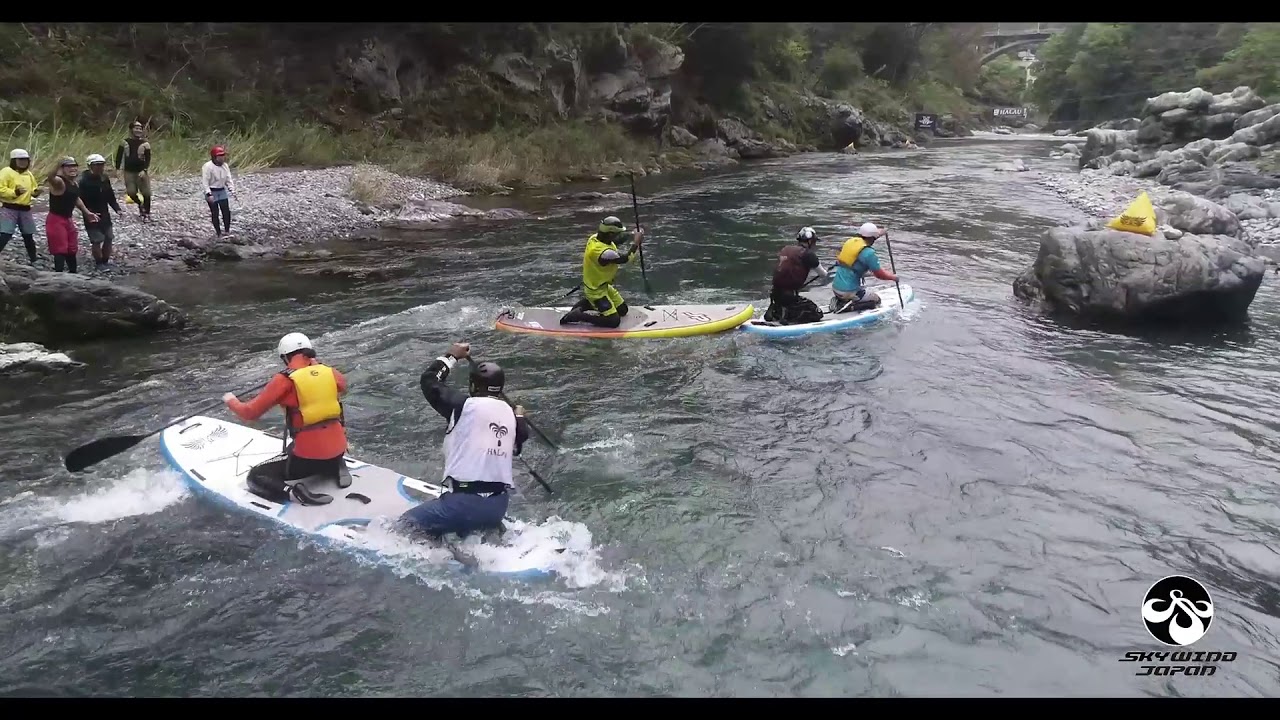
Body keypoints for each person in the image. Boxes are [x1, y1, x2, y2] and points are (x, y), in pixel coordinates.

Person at [398, 341, 528, 543]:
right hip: (498, 507)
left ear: (473, 386)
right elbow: (521, 438)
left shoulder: (463, 406)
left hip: (462, 504)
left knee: (404, 525)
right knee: (466, 521)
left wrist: (451, 356)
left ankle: (439, 549)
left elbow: (429, 381)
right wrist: (519, 416)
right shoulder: (511, 415)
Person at [223, 332, 351, 506]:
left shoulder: (283, 380)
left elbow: (249, 413)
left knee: (257, 475)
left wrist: (231, 401)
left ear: (285, 357)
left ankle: (294, 492)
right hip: (337, 450)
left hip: (308, 460)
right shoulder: (330, 372)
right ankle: (336, 465)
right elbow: (343, 386)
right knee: (300, 444)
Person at [559, 215, 645, 328]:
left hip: (603, 286)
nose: (618, 235)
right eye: (617, 233)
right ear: (610, 234)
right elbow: (625, 259)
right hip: (596, 291)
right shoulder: (603, 252)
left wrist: (633, 234)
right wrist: (636, 243)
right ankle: (578, 315)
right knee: (614, 321)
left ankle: (587, 304)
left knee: (622, 310)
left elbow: (617, 240)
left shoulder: (595, 238)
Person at [762, 226, 829, 325]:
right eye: (814, 242)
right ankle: (789, 316)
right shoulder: (809, 254)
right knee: (817, 313)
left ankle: (781, 312)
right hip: (789, 296)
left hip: (776, 294)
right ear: (809, 241)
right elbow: (823, 274)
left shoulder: (786, 249)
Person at [829, 222, 899, 314]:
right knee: (876, 300)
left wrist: (882, 232)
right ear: (872, 238)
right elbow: (879, 275)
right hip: (848, 291)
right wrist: (894, 277)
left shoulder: (851, 242)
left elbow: (871, 235)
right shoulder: (868, 253)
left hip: (836, 288)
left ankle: (840, 300)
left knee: (860, 287)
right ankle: (848, 308)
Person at [45, 158, 99, 274]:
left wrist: (87, 212)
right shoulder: (59, 181)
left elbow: (76, 199)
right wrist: (57, 165)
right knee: (60, 248)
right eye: (68, 166)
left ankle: (73, 273)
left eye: (74, 166)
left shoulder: (74, 183)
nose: (72, 168)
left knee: (72, 247)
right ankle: (58, 275)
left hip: (68, 219)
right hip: (55, 219)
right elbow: (50, 178)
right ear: (62, 169)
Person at [78, 154, 122, 272]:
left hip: (104, 213)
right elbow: (78, 200)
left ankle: (105, 261)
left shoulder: (104, 178)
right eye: (97, 165)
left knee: (109, 237)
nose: (100, 167)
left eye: (101, 165)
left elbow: (110, 195)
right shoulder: (83, 181)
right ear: (90, 166)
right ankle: (98, 263)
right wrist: (87, 213)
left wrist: (117, 208)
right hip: (91, 214)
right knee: (96, 240)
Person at [0, 148, 42, 265]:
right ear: (14, 160)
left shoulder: (28, 174)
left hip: (25, 208)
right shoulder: (6, 172)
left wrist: (35, 192)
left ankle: (33, 258)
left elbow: (33, 188)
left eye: (25, 160)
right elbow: (1, 189)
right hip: (10, 207)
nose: (23, 162)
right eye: (20, 160)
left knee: (28, 235)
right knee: (6, 233)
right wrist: (14, 193)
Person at [113, 120, 152, 221]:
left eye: (140, 128)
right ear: (131, 129)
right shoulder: (124, 142)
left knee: (146, 193)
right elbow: (119, 156)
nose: (138, 130)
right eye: (136, 128)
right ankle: (140, 204)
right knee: (131, 192)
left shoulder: (146, 144)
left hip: (141, 171)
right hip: (129, 171)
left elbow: (148, 159)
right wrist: (118, 169)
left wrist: (144, 170)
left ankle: (146, 213)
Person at [202, 146, 235, 237]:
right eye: (220, 156)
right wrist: (208, 194)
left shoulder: (225, 166)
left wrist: (231, 188)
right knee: (215, 212)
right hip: (211, 191)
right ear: (214, 157)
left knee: (226, 211)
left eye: (223, 156)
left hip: (221, 189)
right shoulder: (207, 167)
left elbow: (228, 178)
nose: (222, 158)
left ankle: (227, 231)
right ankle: (218, 233)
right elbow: (205, 182)